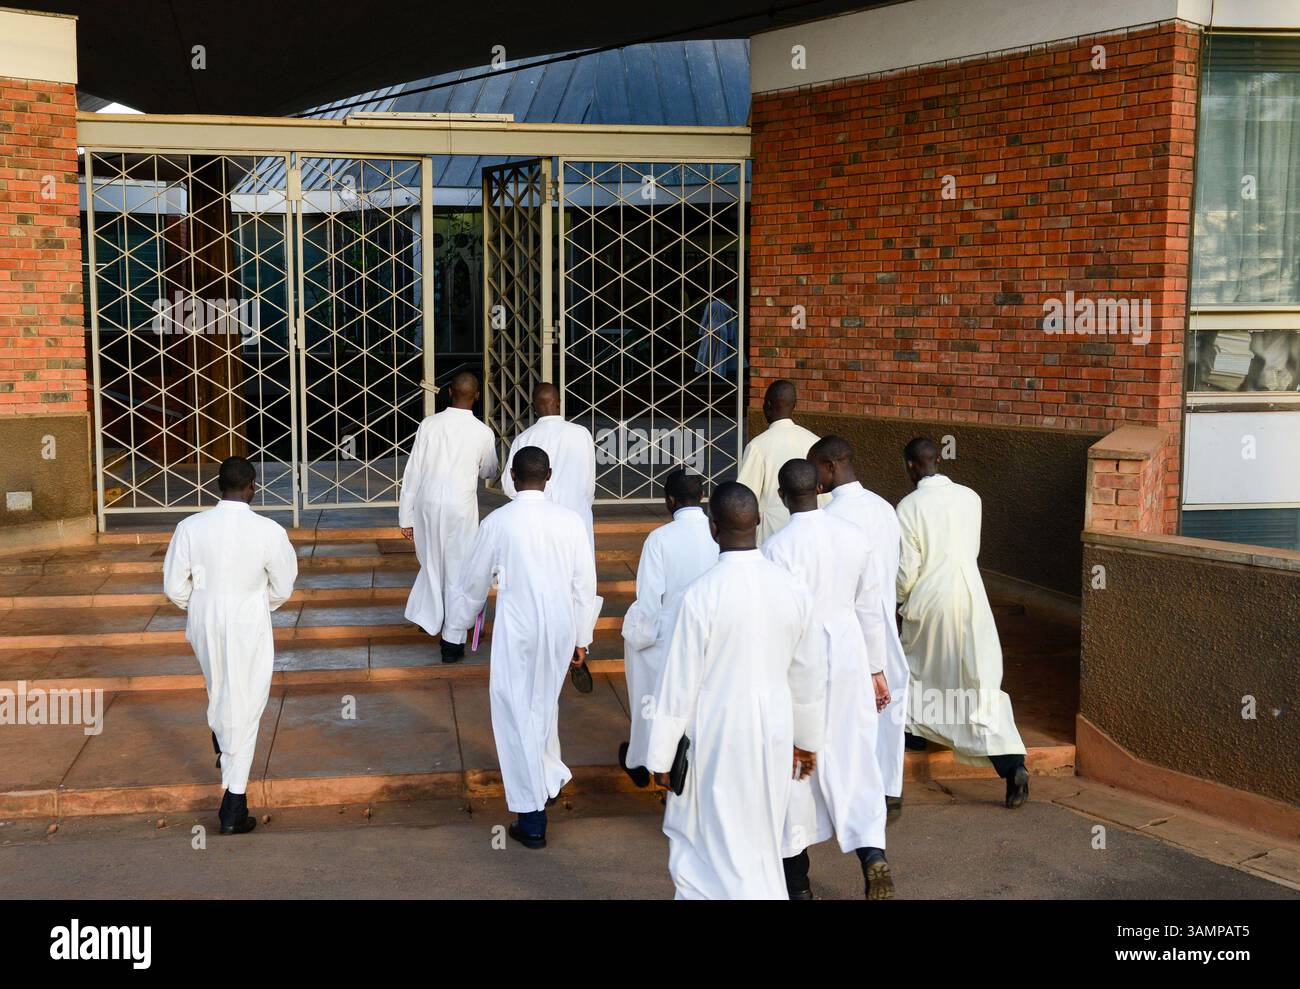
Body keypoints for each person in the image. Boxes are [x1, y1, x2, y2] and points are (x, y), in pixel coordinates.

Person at [644, 482, 826, 899]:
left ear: (712, 529)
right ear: (759, 521)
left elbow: (676, 686)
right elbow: (808, 673)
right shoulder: (793, 590)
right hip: (775, 728)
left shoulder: (699, 596)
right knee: (761, 836)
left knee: (705, 843)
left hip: (718, 732)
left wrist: (660, 755)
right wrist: (807, 740)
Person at [445, 446, 600, 848]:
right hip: (561, 625)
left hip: (519, 626)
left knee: (515, 712)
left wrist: (457, 629)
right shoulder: (569, 522)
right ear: (549, 476)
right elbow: (585, 584)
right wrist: (582, 637)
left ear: (512, 477)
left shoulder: (499, 521)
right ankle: (547, 778)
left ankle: (531, 816)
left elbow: (473, 580)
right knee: (542, 706)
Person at [763, 459, 893, 900]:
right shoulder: (853, 537)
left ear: (782, 497)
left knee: (798, 763)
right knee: (855, 753)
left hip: (801, 660)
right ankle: (873, 855)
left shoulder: (777, 548)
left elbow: (777, 619)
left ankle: (797, 884)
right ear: (821, 487)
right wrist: (876, 668)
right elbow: (871, 609)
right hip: (851, 652)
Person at [162, 456, 298, 836]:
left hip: (204, 618)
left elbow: (174, 587)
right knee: (247, 701)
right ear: (253, 486)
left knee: (222, 692)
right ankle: (234, 804)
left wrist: (204, 605)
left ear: (217, 486)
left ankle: (223, 738)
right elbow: (284, 586)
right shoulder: (268, 530)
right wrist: (253, 603)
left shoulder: (190, 526)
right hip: (247, 620)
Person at [896, 437, 1029, 808]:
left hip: (931, 598)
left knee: (921, 670)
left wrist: (899, 599)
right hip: (972, 594)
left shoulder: (908, 507)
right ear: (939, 459)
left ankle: (916, 734)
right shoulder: (972, 498)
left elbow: (907, 571)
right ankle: (1011, 762)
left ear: (910, 465)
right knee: (979, 679)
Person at [809, 435, 910, 820]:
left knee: (851, 716)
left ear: (830, 467)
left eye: (816, 468)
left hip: (851, 625)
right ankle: (889, 787)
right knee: (889, 709)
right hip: (886, 618)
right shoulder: (885, 508)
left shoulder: (832, 519)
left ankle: (851, 792)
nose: (815, 478)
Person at [618, 469, 718, 787]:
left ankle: (647, 757)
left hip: (670, 634)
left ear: (669, 501)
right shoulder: (719, 532)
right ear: (702, 497)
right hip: (712, 633)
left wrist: (638, 634)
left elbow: (648, 600)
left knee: (653, 691)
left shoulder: (660, 538)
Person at [397, 372, 498, 663]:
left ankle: (430, 617)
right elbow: (489, 471)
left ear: (450, 392)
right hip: (460, 509)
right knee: (458, 570)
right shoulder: (482, 432)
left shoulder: (429, 425)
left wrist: (406, 518)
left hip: (427, 505)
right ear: (476, 396)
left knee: (431, 563)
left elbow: (413, 471)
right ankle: (451, 640)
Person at [500, 382, 596, 548]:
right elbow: (589, 483)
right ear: (559, 402)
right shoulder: (582, 434)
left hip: (537, 521)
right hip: (578, 515)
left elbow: (509, 487)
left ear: (532, 407)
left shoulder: (524, 439)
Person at [736, 379, 821, 545]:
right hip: (812, 536)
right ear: (794, 405)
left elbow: (744, 498)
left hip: (771, 537)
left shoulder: (757, 446)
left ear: (767, 405)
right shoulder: (815, 442)